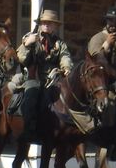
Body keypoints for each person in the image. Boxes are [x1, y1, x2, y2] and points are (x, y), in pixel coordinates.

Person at [15, 9, 73, 139]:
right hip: (33, 76)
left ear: (55, 26)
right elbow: (21, 58)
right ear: (40, 24)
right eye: (44, 22)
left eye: (50, 23)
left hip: (53, 78)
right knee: (31, 95)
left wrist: (67, 66)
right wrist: (27, 45)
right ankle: (29, 129)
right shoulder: (30, 38)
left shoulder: (59, 43)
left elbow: (65, 56)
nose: (46, 25)